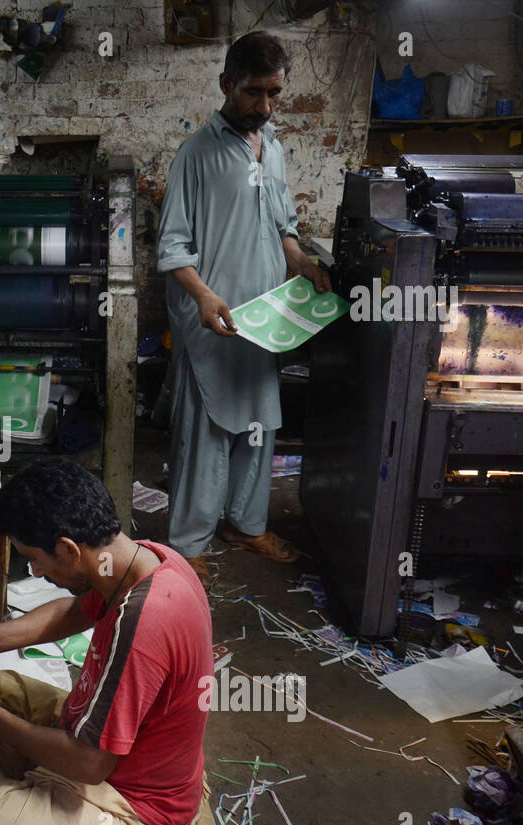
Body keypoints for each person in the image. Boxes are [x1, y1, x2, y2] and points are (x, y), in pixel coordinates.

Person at [0, 458, 213, 825]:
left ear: (68, 549)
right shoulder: (146, 560)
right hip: (107, 745)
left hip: (135, 799)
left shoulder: (143, 620)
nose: (36, 572)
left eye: (35, 560)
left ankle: (44, 797)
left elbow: (91, 765)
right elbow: (75, 612)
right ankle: (38, 786)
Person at [156, 31, 331, 584]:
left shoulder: (273, 145)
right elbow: (173, 247)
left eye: (275, 93)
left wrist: (302, 264)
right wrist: (204, 297)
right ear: (227, 84)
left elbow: (283, 226)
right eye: (254, 93)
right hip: (212, 320)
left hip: (265, 317)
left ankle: (247, 524)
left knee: (260, 423)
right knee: (205, 432)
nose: (266, 106)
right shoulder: (197, 154)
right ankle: (187, 543)